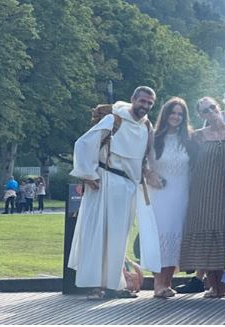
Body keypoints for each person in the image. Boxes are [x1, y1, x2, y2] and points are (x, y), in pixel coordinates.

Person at [68, 86, 157, 299]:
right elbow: (84, 143)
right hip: (104, 180)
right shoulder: (114, 119)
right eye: (142, 101)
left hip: (127, 186)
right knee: (96, 233)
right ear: (133, 99)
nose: (145, 106)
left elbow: (145, 157)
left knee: (118, 238)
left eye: (149, 103)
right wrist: (88, 174)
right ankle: (95, 286)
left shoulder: (146, 126)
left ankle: (114, 285)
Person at [179, 97, 225, 298]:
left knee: (223, 233)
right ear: (201, 115)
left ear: (219, 107)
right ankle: (214, 285)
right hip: (202, 192)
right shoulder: (197, 137)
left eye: (212, 107)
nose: (210, 112)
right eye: (205, 110)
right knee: (205, 234)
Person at [147, 97, 193, 298]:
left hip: (181, 196)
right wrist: (149, 175)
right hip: (159, 195)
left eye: (180, 114)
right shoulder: (154, 137)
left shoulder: (189, 140)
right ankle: (158, 284)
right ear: (165, 114)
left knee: (175, 237)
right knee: (160, 237)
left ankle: (167, 282)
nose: (176, 117)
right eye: (172, 113)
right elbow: (142, 163)